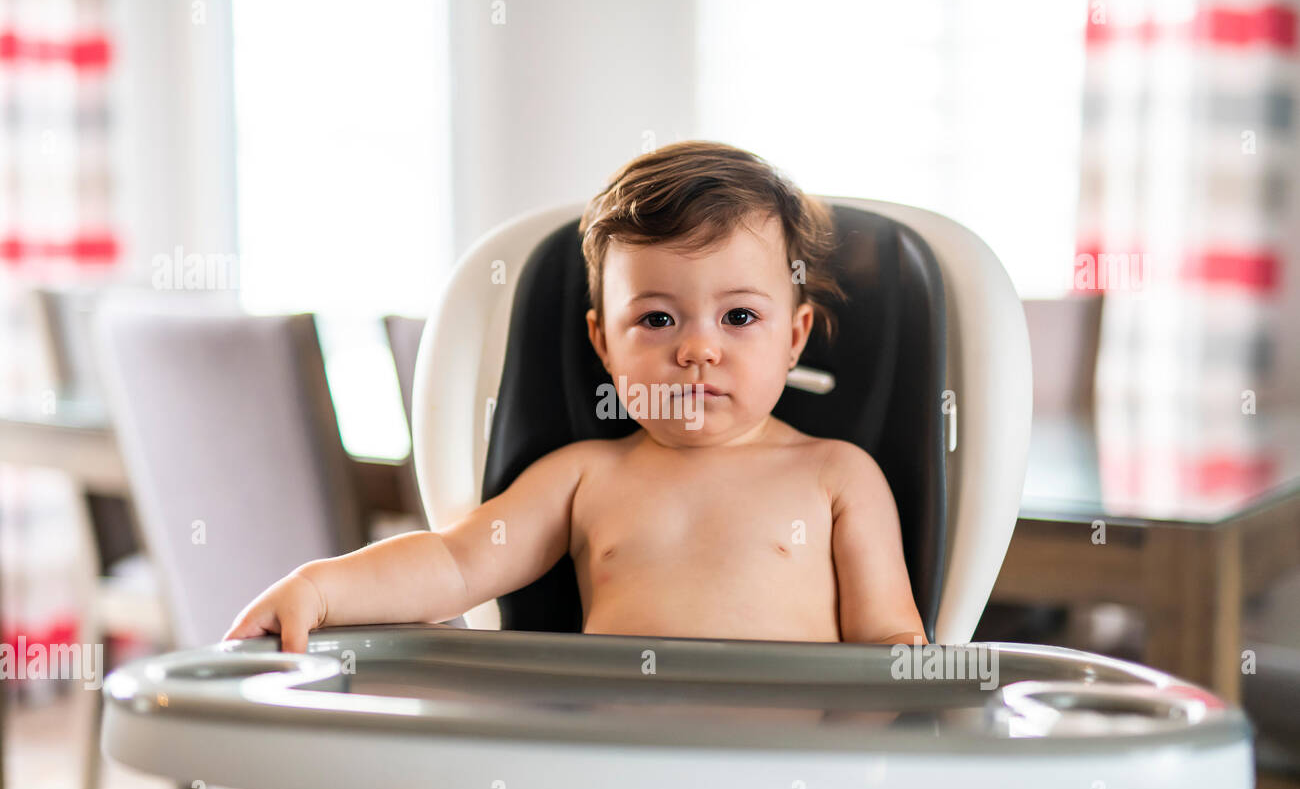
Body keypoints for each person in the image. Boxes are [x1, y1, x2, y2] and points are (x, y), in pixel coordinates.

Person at [224, 140, 929, 652]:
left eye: (739, 317)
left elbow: (891, 644)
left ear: (796, 336)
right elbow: (454, 563)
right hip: (612, 770)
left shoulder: (837, 478)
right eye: (656, 319)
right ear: (603, 343)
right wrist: (319, 588)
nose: (697, 349)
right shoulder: (584, 477)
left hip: (786, 782)